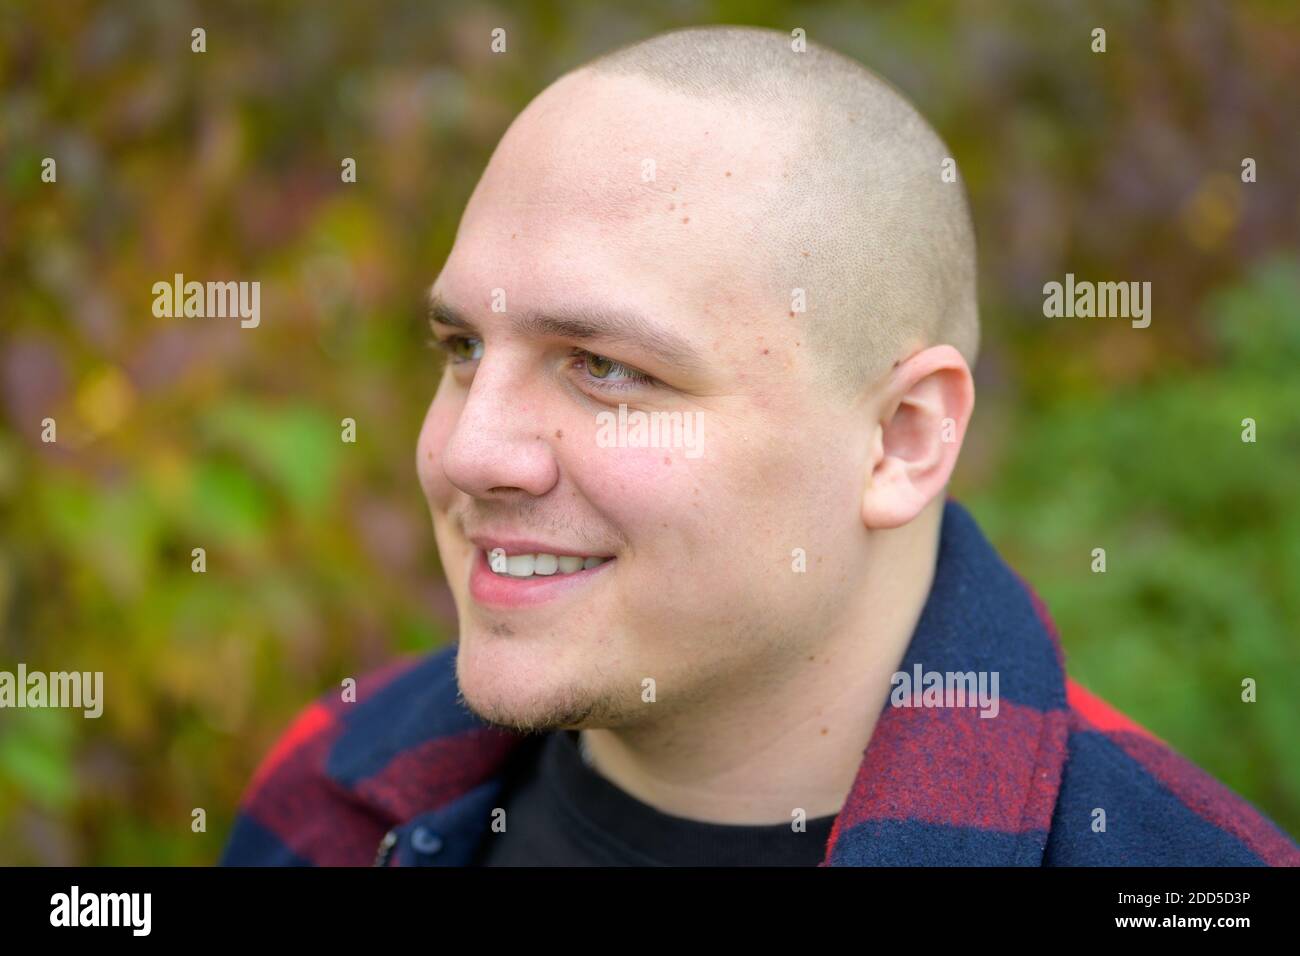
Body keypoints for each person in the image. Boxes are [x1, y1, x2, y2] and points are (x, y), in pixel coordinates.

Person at [220, 25, 1300, 866]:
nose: (467, 450)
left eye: (604, 367)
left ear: (901, 439)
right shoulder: (333, 791)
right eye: (461, 346)